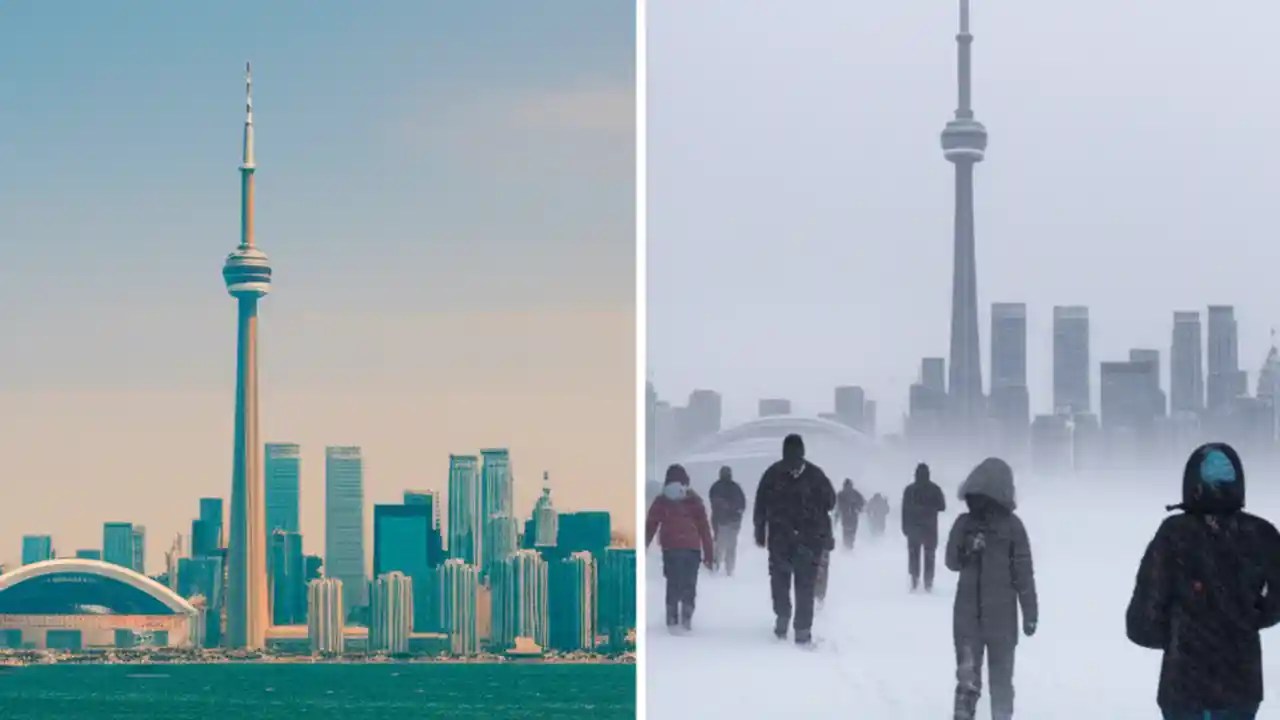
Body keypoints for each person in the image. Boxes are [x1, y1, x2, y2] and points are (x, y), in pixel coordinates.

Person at [1125, 443, 1280, 720]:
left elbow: (1141, 623)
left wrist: (1180, 635)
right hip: (1241, 685)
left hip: (1183, 686)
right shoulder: (1261, 534)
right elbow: (1276, 603)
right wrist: (1247, 618)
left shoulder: (1173, 534)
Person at [945, 457, 1037, 720]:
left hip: (976, 618)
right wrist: (968, 549)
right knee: (984, 682)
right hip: (991, 618)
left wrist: (1031, 613)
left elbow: (1024, 573)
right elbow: (952, 561)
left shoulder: (1011, 527)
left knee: (976, 681)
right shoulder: (970, 525)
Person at [753, 433, 836, 645]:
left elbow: (760, 505)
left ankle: (786, 619)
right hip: (807, 538)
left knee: (784, 581)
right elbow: (830, 502)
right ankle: (800, 627)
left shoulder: (772, 474)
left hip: (784, 537)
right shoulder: (816, 476)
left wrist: (760, 530)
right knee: (803, 584)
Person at [645, 464, 714, 633]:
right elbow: (704, 528)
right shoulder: (694, 499)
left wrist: (643, 545)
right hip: (691, 548)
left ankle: (671, 617)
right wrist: (709, 553)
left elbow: (651, 525)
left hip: (671, 547)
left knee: (672, 582)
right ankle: (687, 616)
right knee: (690, 583)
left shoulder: (661, 500)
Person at [902, 462, 946, 592]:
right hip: (930, 528)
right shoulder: (935, 489)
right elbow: (942, 507)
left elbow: (904, 510)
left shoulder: (909, 490)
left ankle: (914, 580)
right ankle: (928, 582)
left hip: (913, 528)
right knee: (929, 555)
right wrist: (930, 508)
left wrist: (904, 527)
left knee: (913, 555)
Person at [708, 465, 747, 576]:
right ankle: (729, 569)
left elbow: (713, 503)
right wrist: (736, 511)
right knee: (731, 546)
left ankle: (716, 564)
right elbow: (742, 504)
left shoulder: (715, 487)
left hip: (720, 521)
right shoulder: (736, 487)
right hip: (734, 521)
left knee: (719, 544)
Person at [834, 479, 866, 550]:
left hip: (846, 517)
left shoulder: (841, 494)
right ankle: (849, 546)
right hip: (852, 517)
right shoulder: (855, 493)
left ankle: (847, 547)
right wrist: (858, 509)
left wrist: (836, 518)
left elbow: (837, 507)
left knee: (846, 532)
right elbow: (863, 503)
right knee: (851, 533)